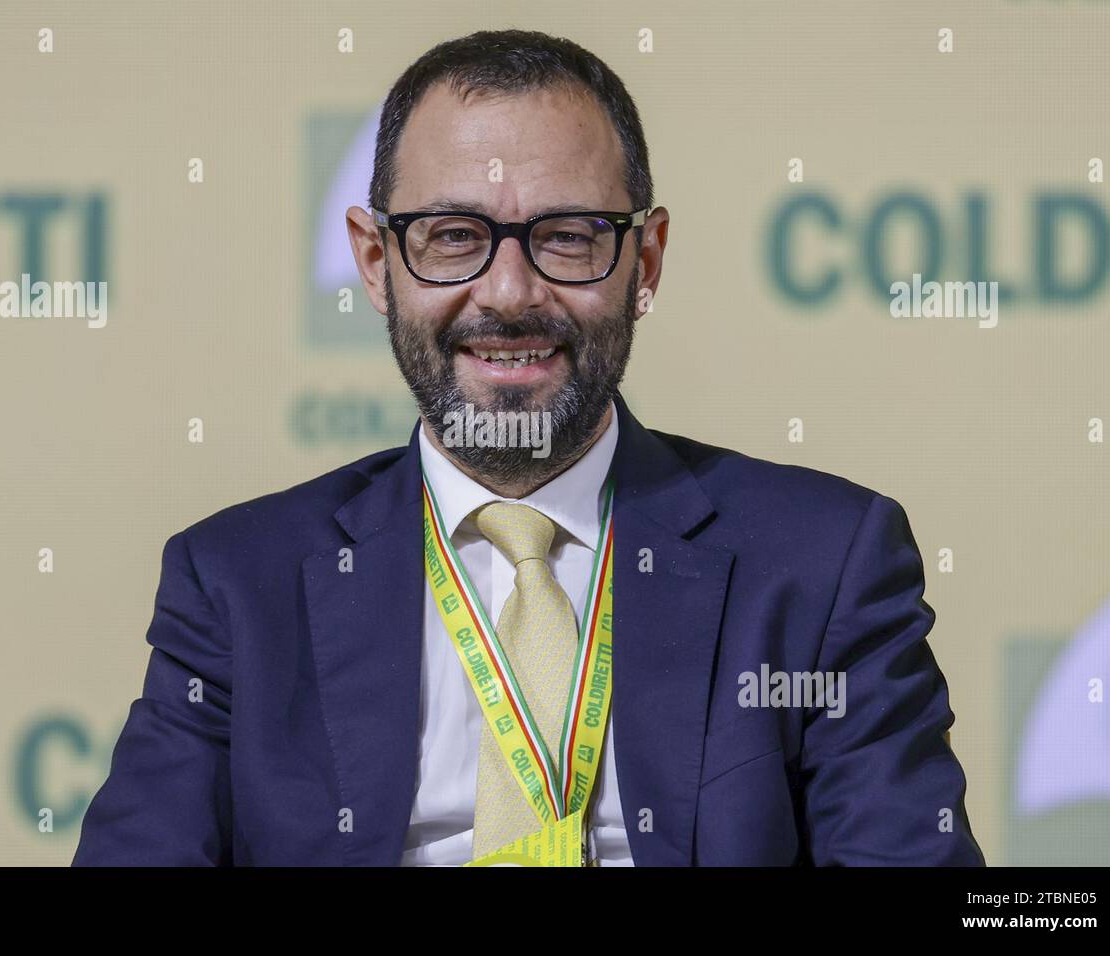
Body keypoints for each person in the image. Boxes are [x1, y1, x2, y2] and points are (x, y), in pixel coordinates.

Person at [73, 29, 985, 866]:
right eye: (454, 237)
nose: (509, 292)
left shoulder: (824, 564)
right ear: (375, 262)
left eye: (569, 237)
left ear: (648, 261)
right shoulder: (236, 584)